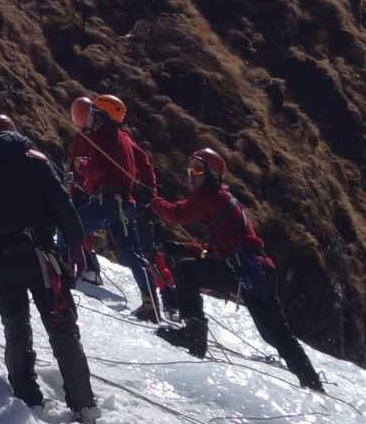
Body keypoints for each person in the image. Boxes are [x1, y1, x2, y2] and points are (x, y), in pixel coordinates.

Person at [0, 114, 99, 421]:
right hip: (42, 257)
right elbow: (63, 205)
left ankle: (26, 394)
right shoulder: (36, 161)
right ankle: (83, 403)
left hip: (1, 260)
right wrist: (76, 246)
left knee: (16, 328)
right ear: (13, 133)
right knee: (62, 329)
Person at [152, 147, 324, 391]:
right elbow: (218, 248)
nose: (191, 174)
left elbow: (177, 213)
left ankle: (194, 337)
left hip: (243, 271)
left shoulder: (210, 196)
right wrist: (184, 247)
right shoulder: (221, 197)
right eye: (190, 168)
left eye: (198, 169)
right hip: (256, 271)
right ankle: (311, 381)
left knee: (185, 271)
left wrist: (153, 201)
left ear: (210, 175)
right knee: (275, 334)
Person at [69, 93, 160, 319]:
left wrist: (82, 167)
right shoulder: (124, 137)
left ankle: (64, 277)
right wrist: (150, 189)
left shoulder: (100, 137)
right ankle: (151, 303)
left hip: (108, 203)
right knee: (131, 253)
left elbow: (97, 170)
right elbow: (144, 161)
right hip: (122, 202)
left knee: (69, 227)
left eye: (92, 113)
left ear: (99, 115)